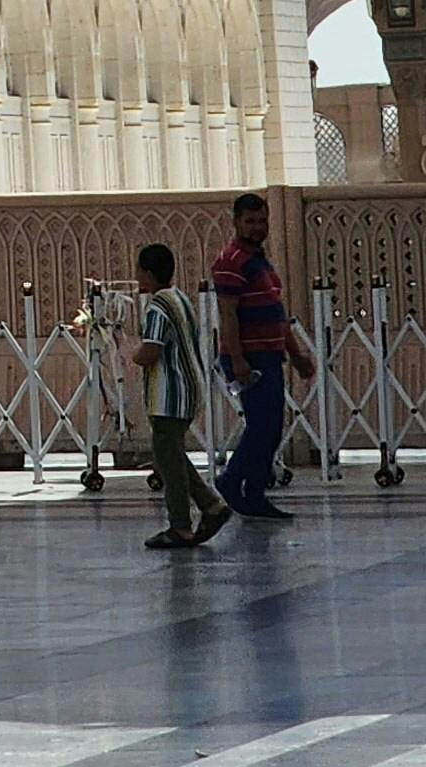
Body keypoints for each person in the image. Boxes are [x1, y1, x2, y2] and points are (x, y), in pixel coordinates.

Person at [210, 190, 314, 524]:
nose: (257, 227)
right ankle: (231, 480)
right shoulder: (230, 261)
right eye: (250, 221)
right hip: (250, 357)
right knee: (261, 426)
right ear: (236, 222)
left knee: (271, 428)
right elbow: (228, 316)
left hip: (270, 355)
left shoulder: (260, 261)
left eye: (262, 221)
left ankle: (255, 493)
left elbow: (275, 313)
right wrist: (238, 360)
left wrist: (295, 354)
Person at [133, 239, 228, 554]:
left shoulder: (158, 305)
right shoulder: (179, 298)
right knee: (170, 454)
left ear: (148, 273)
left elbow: (151, 350)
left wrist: (130, 353)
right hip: (189, 387)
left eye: (139, 271)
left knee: (169, 461)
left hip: (169, 394)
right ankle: (211, 505)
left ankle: (180, 526)